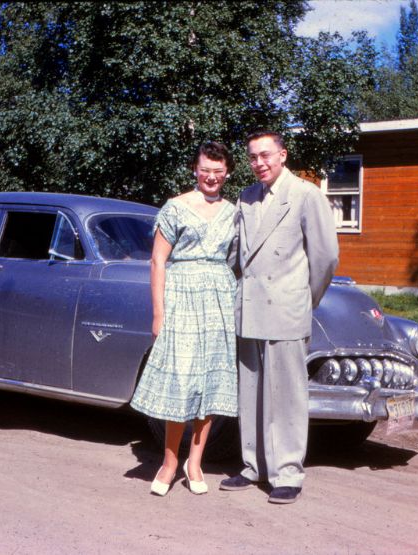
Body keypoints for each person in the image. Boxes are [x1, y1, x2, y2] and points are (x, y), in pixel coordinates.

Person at [221, 129, 339, 504]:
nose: (259, 163)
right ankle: (253, 466)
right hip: (250, 309)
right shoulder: (246, 198)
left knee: (287, 396)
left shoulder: (306, 195)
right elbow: (236, 257)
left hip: (286, 310)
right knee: (251, 393)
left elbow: (325, 258)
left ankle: (287, 472)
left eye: (266, 155)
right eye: (253, 157)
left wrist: (302, 300)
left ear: (283, 155)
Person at [130, 141, 238, 496]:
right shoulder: (175, 207)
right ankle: (169, 461)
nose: (211, 177)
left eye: (218, 172)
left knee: (210, 384)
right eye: (205, 170)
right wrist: (159, 312)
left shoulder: (234, 212)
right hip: (181, 297)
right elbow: (158, 260)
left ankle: (195, 462)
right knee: (181, 382)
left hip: (219, 299)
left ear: (227, 173)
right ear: (195, 169)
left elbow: (237, 261)